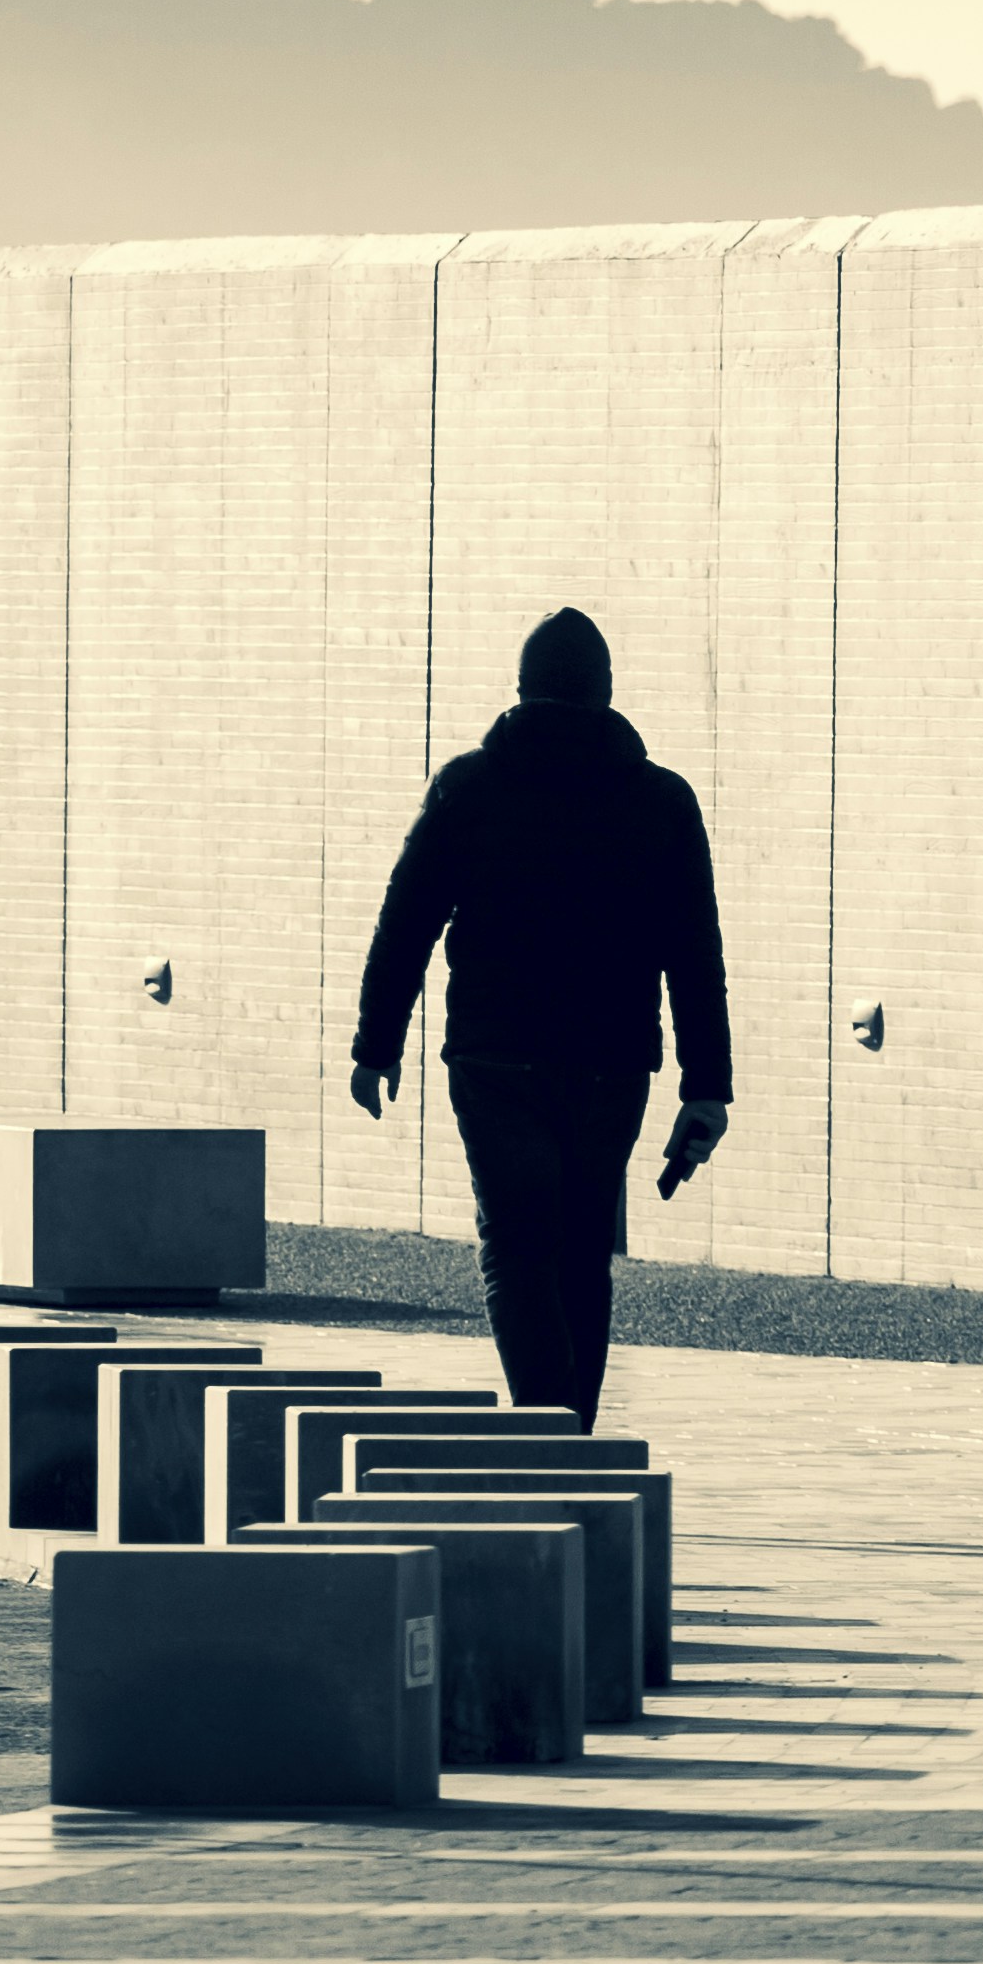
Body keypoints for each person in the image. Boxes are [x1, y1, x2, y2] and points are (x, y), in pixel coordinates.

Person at [349, 607, 733, 1427]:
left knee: (519, 1243)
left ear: (522, 693)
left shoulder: (471, 788)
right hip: (612, 1062)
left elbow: (406, 921)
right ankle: (571, 1432)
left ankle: (542, 1427)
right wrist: (707, 1086)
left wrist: (378, 1044)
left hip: (497, 1060)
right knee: (583, 1248)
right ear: (606, 694)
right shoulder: (661, 801)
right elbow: (695, 952)